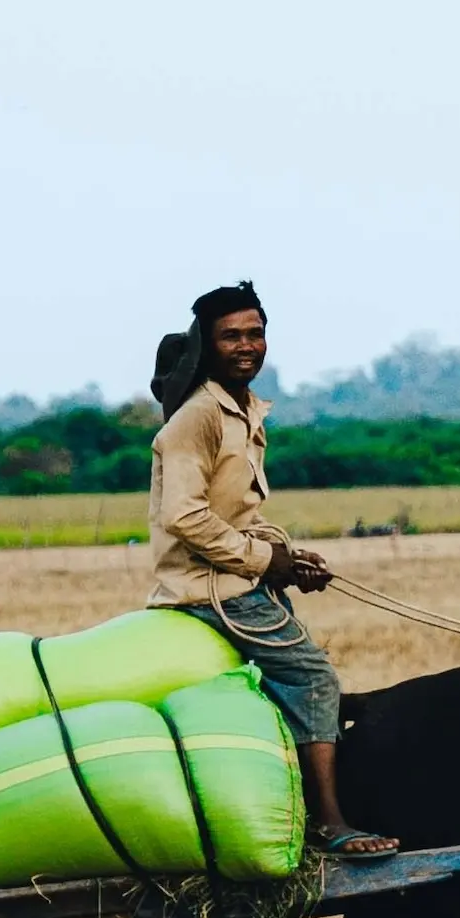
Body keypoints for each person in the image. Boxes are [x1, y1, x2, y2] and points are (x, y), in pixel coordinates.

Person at [145, 282, 398, 857]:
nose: (246, 345)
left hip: (236, 578)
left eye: (255, 334)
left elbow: (236, 512)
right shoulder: (199, 417)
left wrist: (286, 558)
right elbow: (184, 515)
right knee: (314, 678)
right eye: (231, 336)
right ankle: (329, 823)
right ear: (206, 346)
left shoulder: (243, 412)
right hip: (210, 590)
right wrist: (264, 561)